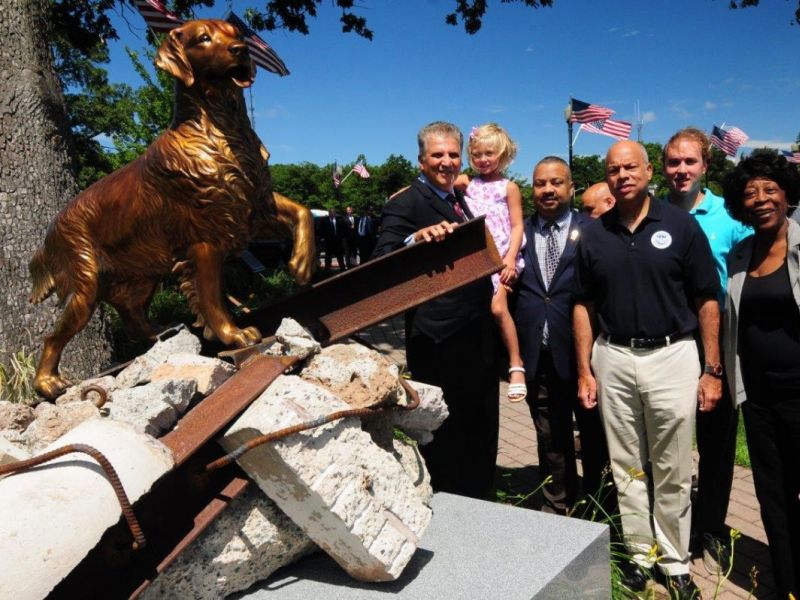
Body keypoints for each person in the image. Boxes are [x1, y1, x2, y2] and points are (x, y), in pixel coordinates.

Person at [573, 141, 721, 598]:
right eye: (613, 169)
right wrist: (584, 369)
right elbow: (582, 303)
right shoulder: (594, 233)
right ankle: (640, 555)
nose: (622, 175)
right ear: (607, 176)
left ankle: (675, 562)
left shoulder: (680, 227)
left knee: (673, 465)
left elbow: (707, 299)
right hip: (613, 356)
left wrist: (711, 369)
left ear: (648, 170)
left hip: (673, 354)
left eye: (630, 167)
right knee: (627, 465)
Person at [373, 121, 497, 499]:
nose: (446, 162)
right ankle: (447, 511)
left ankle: (481, 507)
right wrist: (416, 240)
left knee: (479, 430)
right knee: (446, 438)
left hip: (476, 336)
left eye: (453, 154)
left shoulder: (459, 200)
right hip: (439, 341)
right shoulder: (406, 202)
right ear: (421, 160)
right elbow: (381, 258)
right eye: (437, 155)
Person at [662, 127, 752, 575]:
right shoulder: (653, 213)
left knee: (715, 442)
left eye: (689, 162)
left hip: (714, 338)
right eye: (674, 162)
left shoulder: (728, 217)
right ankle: (668, 527)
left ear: (705, 167)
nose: (681, 170)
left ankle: (711, 527)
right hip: (665, 340)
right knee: (666, 440)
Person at [514, 156, 612, 515]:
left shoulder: (595, 230)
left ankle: (604, 509)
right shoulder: (517, 232)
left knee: (596, 435)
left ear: (571, 188)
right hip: (538, 355)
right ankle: (560, 508)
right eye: (541, 183)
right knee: (551, 437)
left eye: (557, 182)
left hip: (586, 355)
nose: (548, 190)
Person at [722, 151, 800, 598]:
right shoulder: (740, 253)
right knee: (773, 493)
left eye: (771, 189)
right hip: (758, 396)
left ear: (788, 194)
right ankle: (788, 582)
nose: (761, 199)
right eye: (751, 193)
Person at [458, 123, 526, 402]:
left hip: (502, 258)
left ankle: (516, 365)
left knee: (498, 309)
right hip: (476, 259)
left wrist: (510, 259)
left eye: (489, 153)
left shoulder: (509, 187)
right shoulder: (466, 184)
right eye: (477, 154)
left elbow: (518, 226)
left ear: (502, 154)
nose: (483, 159)